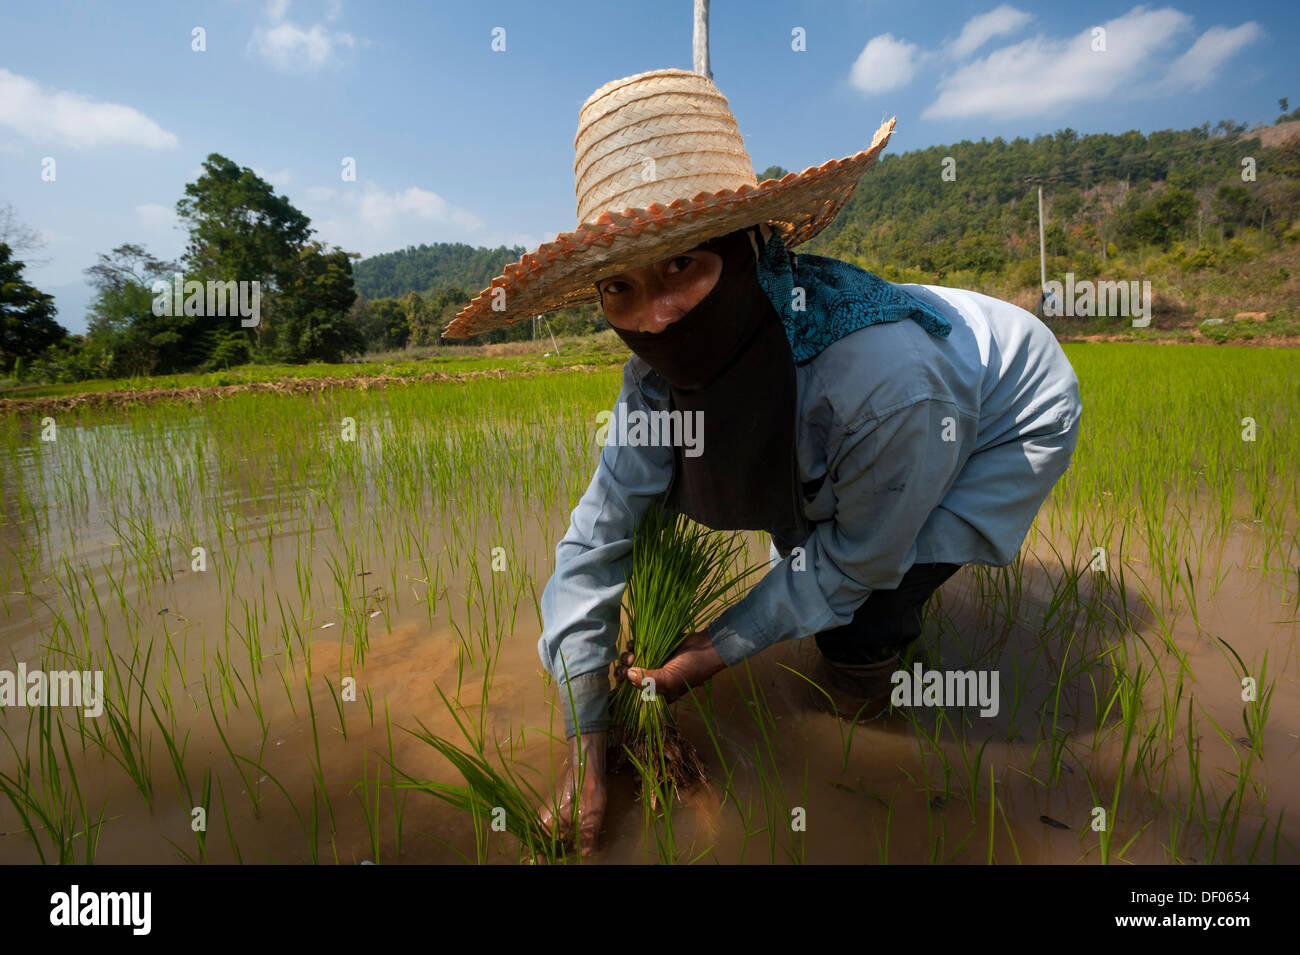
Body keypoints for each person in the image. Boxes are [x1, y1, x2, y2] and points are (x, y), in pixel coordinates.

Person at [442, 68, 1082, 855]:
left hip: (1003, 413)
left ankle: (867, 704)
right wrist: (588, 752)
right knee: (804, 530)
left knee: (866, 605)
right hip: (895, 396)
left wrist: (692, 665)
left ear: (748, 249)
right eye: (620, 286)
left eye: (683, 264)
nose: (657, 313)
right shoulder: (654, 385)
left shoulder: (885, 387)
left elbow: (853, 560)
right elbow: (595, 541)